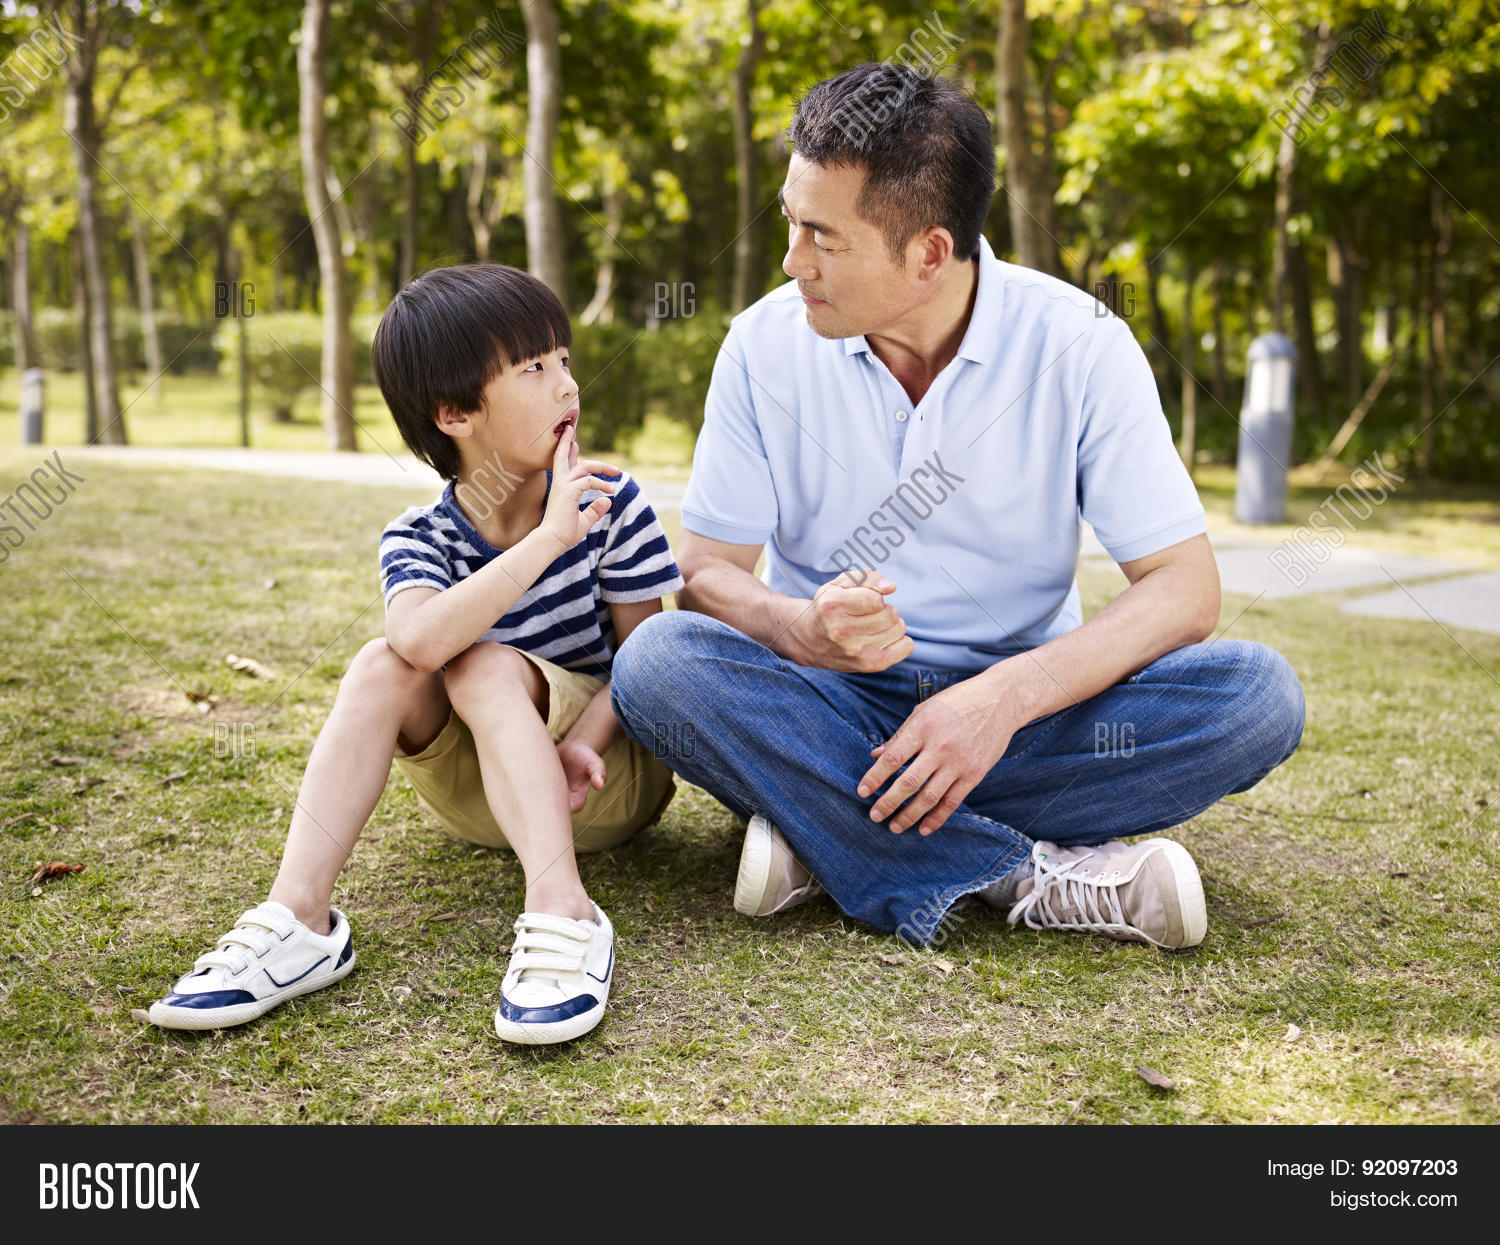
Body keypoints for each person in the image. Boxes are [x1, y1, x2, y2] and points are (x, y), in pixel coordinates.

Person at [610, 63, 1305, 951]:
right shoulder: (760, 347)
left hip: (1028, 718)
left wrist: (1000, 703)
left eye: (823, 237)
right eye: (791, 222)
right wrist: (798, 628)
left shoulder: (1082, 347)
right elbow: (705, 575)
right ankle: (1019, 870)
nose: (793, 262)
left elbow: (1184, 590)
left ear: (930, 253)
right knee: (658, 665)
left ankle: (825, 832)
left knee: (1256, 698)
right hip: (829, 705)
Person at [149, 264, 682, 1044]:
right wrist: (547, 540)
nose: (568, 384)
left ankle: (564, 906)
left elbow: (647, 659)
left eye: (564, 359)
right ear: (455, 412)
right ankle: (299, 919)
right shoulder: (419, 536)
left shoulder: (608, 502)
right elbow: (419, 639)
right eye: (535, 368)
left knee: (485, 661)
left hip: (600, 780)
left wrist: (584, 740)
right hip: (477, 797)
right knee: (385, 662)